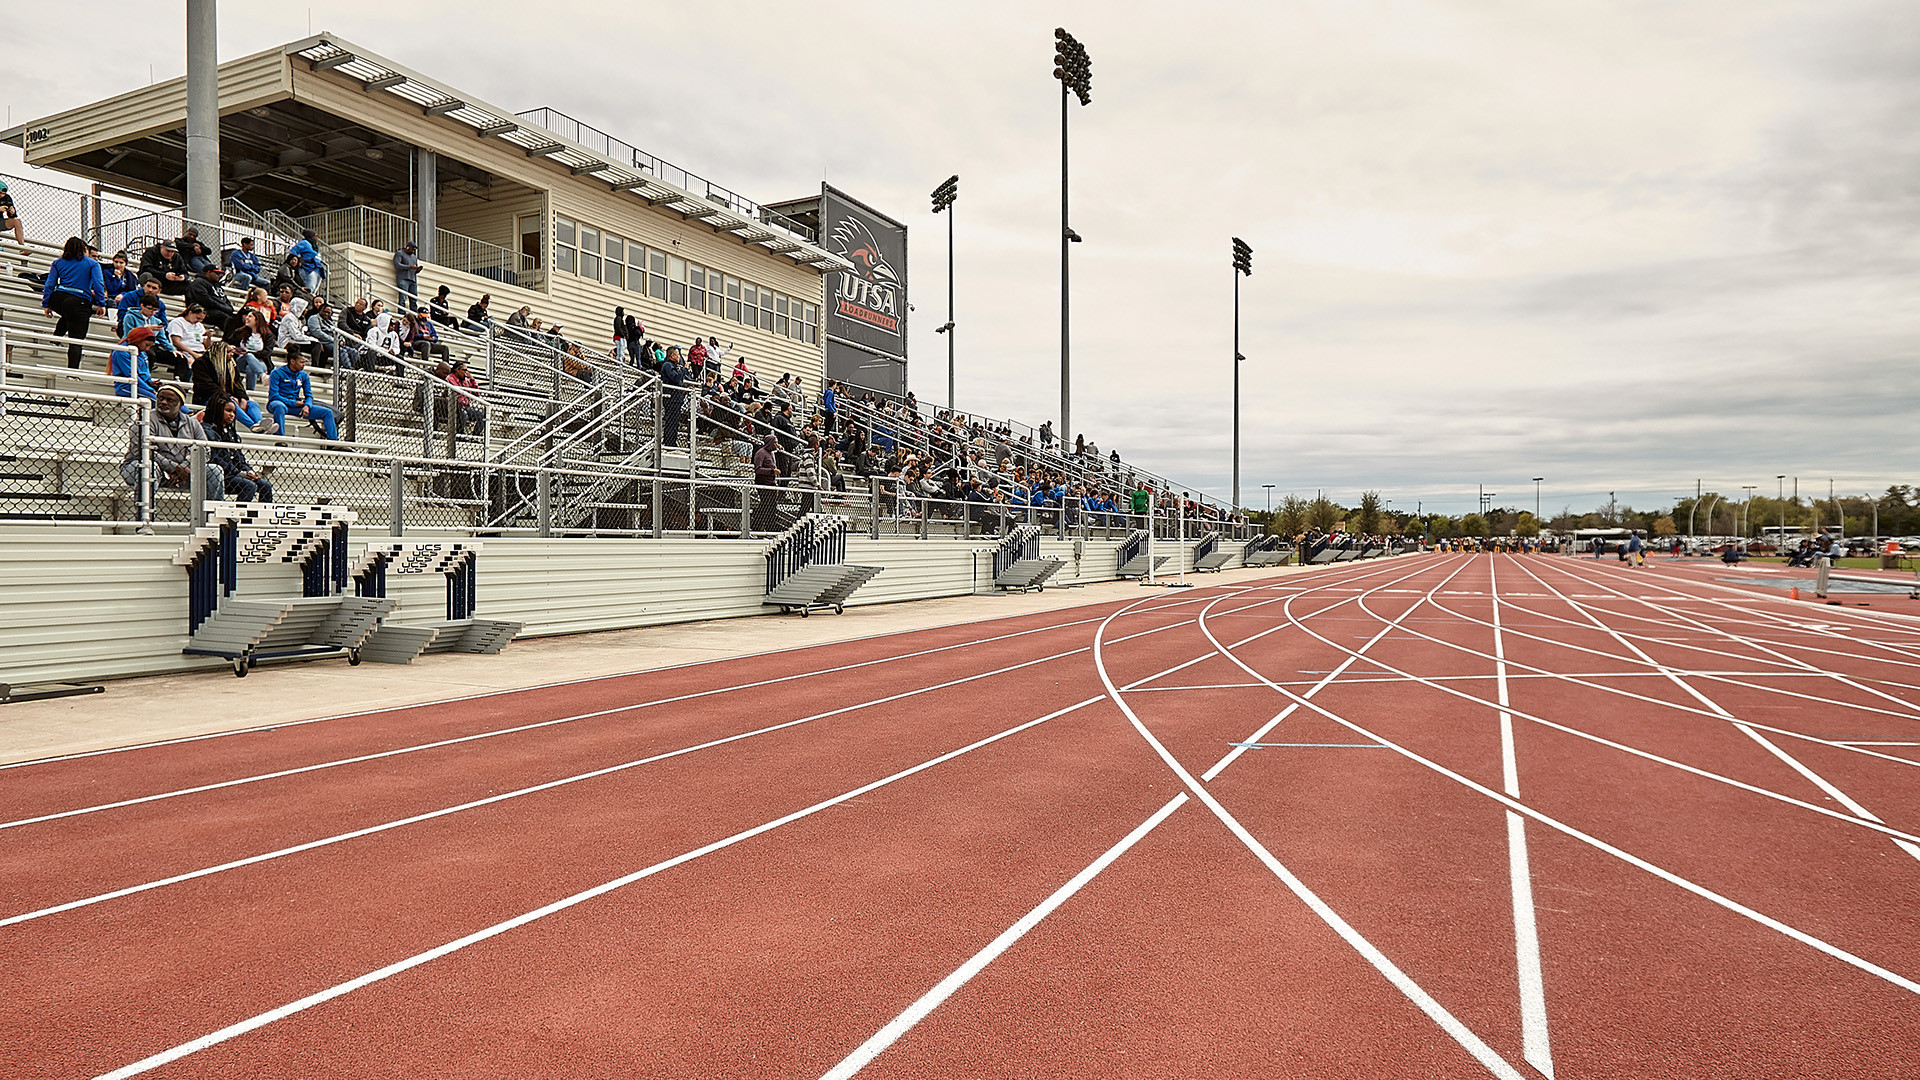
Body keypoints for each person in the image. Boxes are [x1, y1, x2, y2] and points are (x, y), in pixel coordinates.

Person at [121, 385, 222, 522]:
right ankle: (145, 521)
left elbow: (204, 450)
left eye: (170, 400)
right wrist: (174, 468)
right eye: (161, 398)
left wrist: (185, 468)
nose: (163, 402)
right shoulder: (145, 419)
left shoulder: (193, 423)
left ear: (180, 404)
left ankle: (212, 521)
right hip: (140, 467)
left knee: (215, 470)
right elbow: (145, 451)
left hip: (184, 473)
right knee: (149, 467)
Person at [41, 236, 107, 369]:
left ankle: (56, 337)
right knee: (76, 339)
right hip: (79, 300)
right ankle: (73, 372)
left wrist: (46, 303)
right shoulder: (92, 264)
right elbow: (98, 284)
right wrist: (101, 303)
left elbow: (49, 284)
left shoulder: (58, 263)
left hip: (58, 298)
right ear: (84, 249)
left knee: (68, 313)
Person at [202, 396, 273, 503]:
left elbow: (240, 457)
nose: (232, 415)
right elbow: (214, 458)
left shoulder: (232, 433)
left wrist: (249, 471)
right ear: (218, 410)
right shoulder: (207, 430)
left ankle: (261, 518)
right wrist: (239, 473)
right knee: (249, 486)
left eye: (234, 412)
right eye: (228, 411)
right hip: (221, 476)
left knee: (265, 486)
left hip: (236, 474)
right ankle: (237, 516)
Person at [192, 340, 265, 431]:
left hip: (229, 396)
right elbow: (207, 386)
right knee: (230, 403)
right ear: (219, 353)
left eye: (232, 352)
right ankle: (252, 426)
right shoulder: (201, 363)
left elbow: (237, 384)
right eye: (228, 352)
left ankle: (260, 424)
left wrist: (242, 398)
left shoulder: (231, 365)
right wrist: (227, 397)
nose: (232, 354)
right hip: (208, 398)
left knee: (252, 403)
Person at [267, 351, 338, 440]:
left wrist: (307, 406)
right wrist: (294, 403)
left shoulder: (303, 375)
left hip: (296, 406)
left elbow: (309, 395)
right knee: (279, 406)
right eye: (301, 362)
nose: (303, 365)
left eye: (304, 362)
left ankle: (333, 441)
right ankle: (280, 438)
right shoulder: (277, 373)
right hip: (278, 403)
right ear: (292, 361)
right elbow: (274, 396)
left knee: (327, 412)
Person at [109, 325, 160, 401]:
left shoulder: (142, 354)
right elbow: (131, 374)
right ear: (138, 340)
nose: (147, 349)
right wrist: (149, 389)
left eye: (150, 346)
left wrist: (150, 383)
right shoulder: (121, 351)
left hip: (142, 386)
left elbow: (144, 373)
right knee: (157, 401)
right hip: (126, 387)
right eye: (146, 345)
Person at [164, 303, 210, 382]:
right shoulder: (178, 322)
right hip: (185, 350)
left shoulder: (199, 325)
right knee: (190, 362)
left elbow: (206, 344)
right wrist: (193, 354)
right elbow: (176, 342)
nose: (198, 321)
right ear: (190, 313)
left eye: (201, 319)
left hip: (200, 351)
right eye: (197, 318)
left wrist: (209, 337)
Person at [445, 359, 486, 437]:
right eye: (464, 370)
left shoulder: (466, 381)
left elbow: (477, 393)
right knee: (464, 414)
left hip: (466, 406)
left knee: (482, 415)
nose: (466, 373)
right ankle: (460, 435)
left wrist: (472, 379)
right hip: (454, 406)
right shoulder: (449, 378)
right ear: (457, 370)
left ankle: (475, 436)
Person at [288, 228, 327, 294]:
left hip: (317, 268)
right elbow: (293, 252)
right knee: (310, 288)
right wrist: (298, 261)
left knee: (314, 289)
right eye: (315, 235)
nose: (317, 237)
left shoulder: (314, 245)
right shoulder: (304, 243)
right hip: (308, 268)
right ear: (311, 236)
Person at [0, 178, 23, 247]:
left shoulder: (7, 198)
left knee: (17, 221)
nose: (2, 196)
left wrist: (12, 212)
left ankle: (22, 246)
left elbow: (12, 216)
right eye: (0, 193)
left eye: (4, 194)